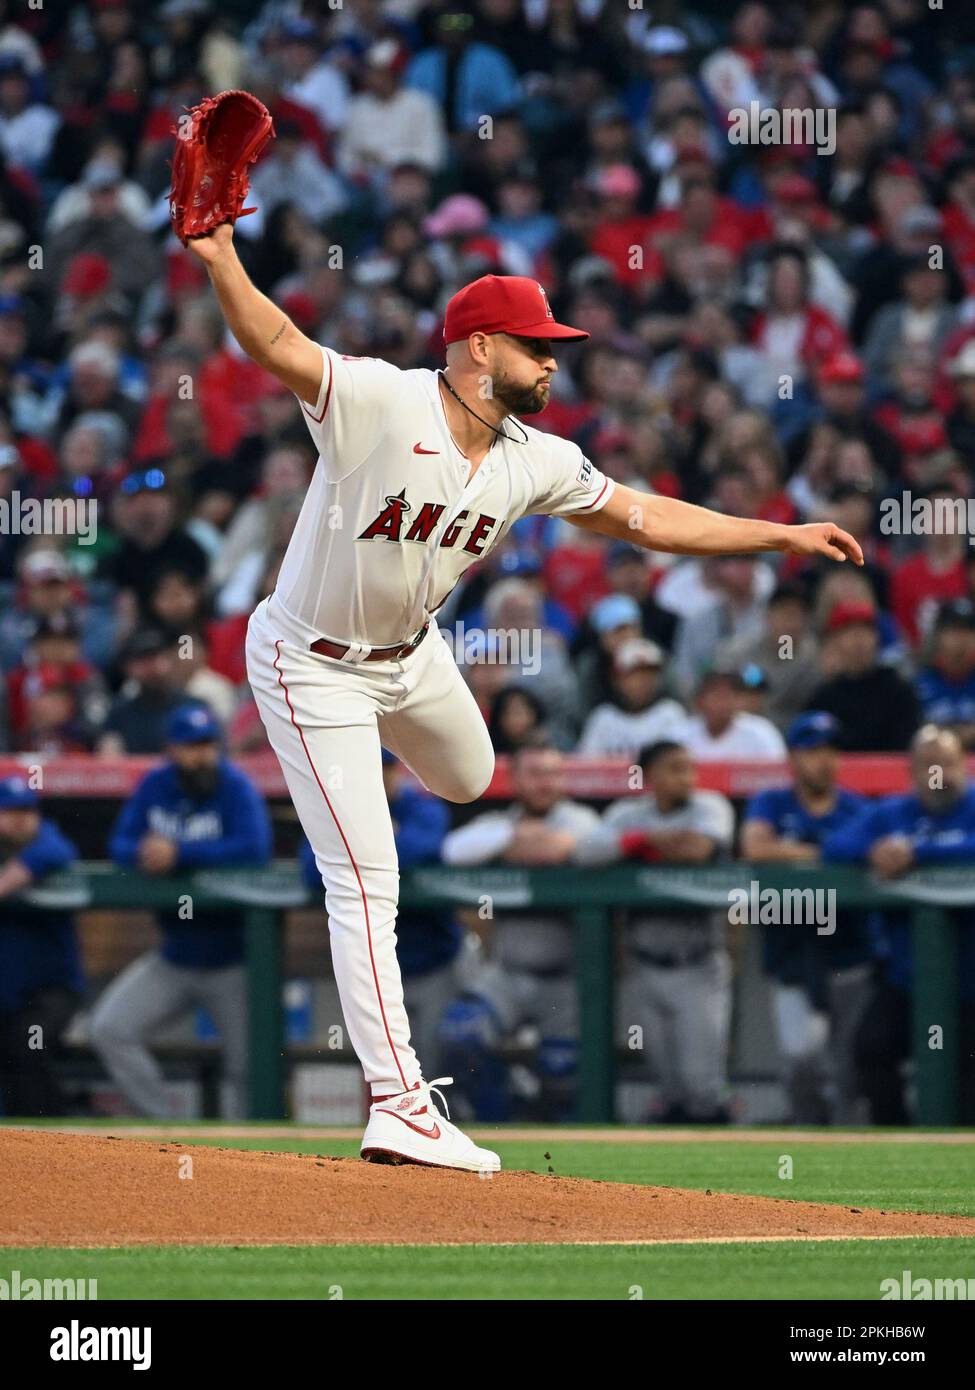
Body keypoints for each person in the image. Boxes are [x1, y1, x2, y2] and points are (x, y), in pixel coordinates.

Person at [187, 214, 861, 1173]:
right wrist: (220, 257)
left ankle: (393, 775)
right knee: (366, 877)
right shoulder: (382, 400)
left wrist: (778, 535)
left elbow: (644, 517)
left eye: (554, 348)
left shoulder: (533, 456)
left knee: (471, 777)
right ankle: (399, 1105)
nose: (552, 363)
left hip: (411, 657)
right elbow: (277, 342)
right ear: (477, 348)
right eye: (536, 347)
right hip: (311, 659)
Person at [89, 703, 272, 1118]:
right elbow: (118, 846)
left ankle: (251, 1159)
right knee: (110, 1029)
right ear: (171, 749)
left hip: (235, 961)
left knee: (248, 1069)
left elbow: (255, 849)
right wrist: (145, 852)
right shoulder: (156, 786)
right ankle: (167, 1130)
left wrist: (180, 853)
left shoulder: (235, 786)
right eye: (190, 746)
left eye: (207, 744)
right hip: (174, 956)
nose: (201, 754)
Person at [576, 740, 736, 1122]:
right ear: (648, 776)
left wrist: (631, 850)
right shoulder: (628, 813)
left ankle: (721, 1162)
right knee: (667, 1085)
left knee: (702, 1085)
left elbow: (698, 849)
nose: (688, 777)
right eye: (675, 768)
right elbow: (586, 854)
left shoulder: (710, 805)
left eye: (690, 768)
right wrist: (645, 840)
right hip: (644, 964)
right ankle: (673, 1180)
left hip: (698, 965)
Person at [440, 740, 600, 1120]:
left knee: (565, 1077)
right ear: (515, 780)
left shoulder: (582, 819)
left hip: (567, 979)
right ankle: (503, 1121)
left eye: (553, 774)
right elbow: (453, 850)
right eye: (535, 774)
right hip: (507, 973)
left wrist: (514, 845)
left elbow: (559, 848)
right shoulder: (499, 822)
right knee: (460, 1033)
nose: (545, 783)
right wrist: (511, 837)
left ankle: (569, 1166)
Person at [824, 725, 975, 1123]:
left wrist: (918, 852)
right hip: (909, 977)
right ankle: (896, 1136)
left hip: (969, 979)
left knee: (964, 1078)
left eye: (945, 763)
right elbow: (835, 846)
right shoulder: (895, 812)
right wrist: (874, 850)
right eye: (927, 765)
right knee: (872, 1048)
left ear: (963, 765)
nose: (936, 773)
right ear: (911, 772)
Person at [739, 712, 873, 1123]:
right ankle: (807, 1136)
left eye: (831, 750)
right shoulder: (773, 801)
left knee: (849, 1067)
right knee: (801, 1058)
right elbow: (756, 848)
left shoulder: (856, 807)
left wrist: (798, 851)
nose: (824, 760)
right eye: (813, 751)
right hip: (792, 950)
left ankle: (850, 1147)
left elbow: (869, 850)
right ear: (794, 757)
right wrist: (826, 855)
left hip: (849, 951)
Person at [301, 750, 460, 1080]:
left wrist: (351, 853)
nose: (379, 776)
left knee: (437, 1062)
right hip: (369, 970)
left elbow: (421, 849)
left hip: (432, 962)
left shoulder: (421, 807)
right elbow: (309, 866)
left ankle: (448, 1126)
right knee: (378, 1069)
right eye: (370, 767)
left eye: (385, 768)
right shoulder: (339, 808)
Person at [0, 776, 81, 1117]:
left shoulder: (48, 843)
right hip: (7, 991)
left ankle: (56, 1134)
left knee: (25, 1049)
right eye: (11, 811)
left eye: (27, 811)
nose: (21, 819)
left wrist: (12, 877)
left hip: (49, 991)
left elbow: (60, 850)